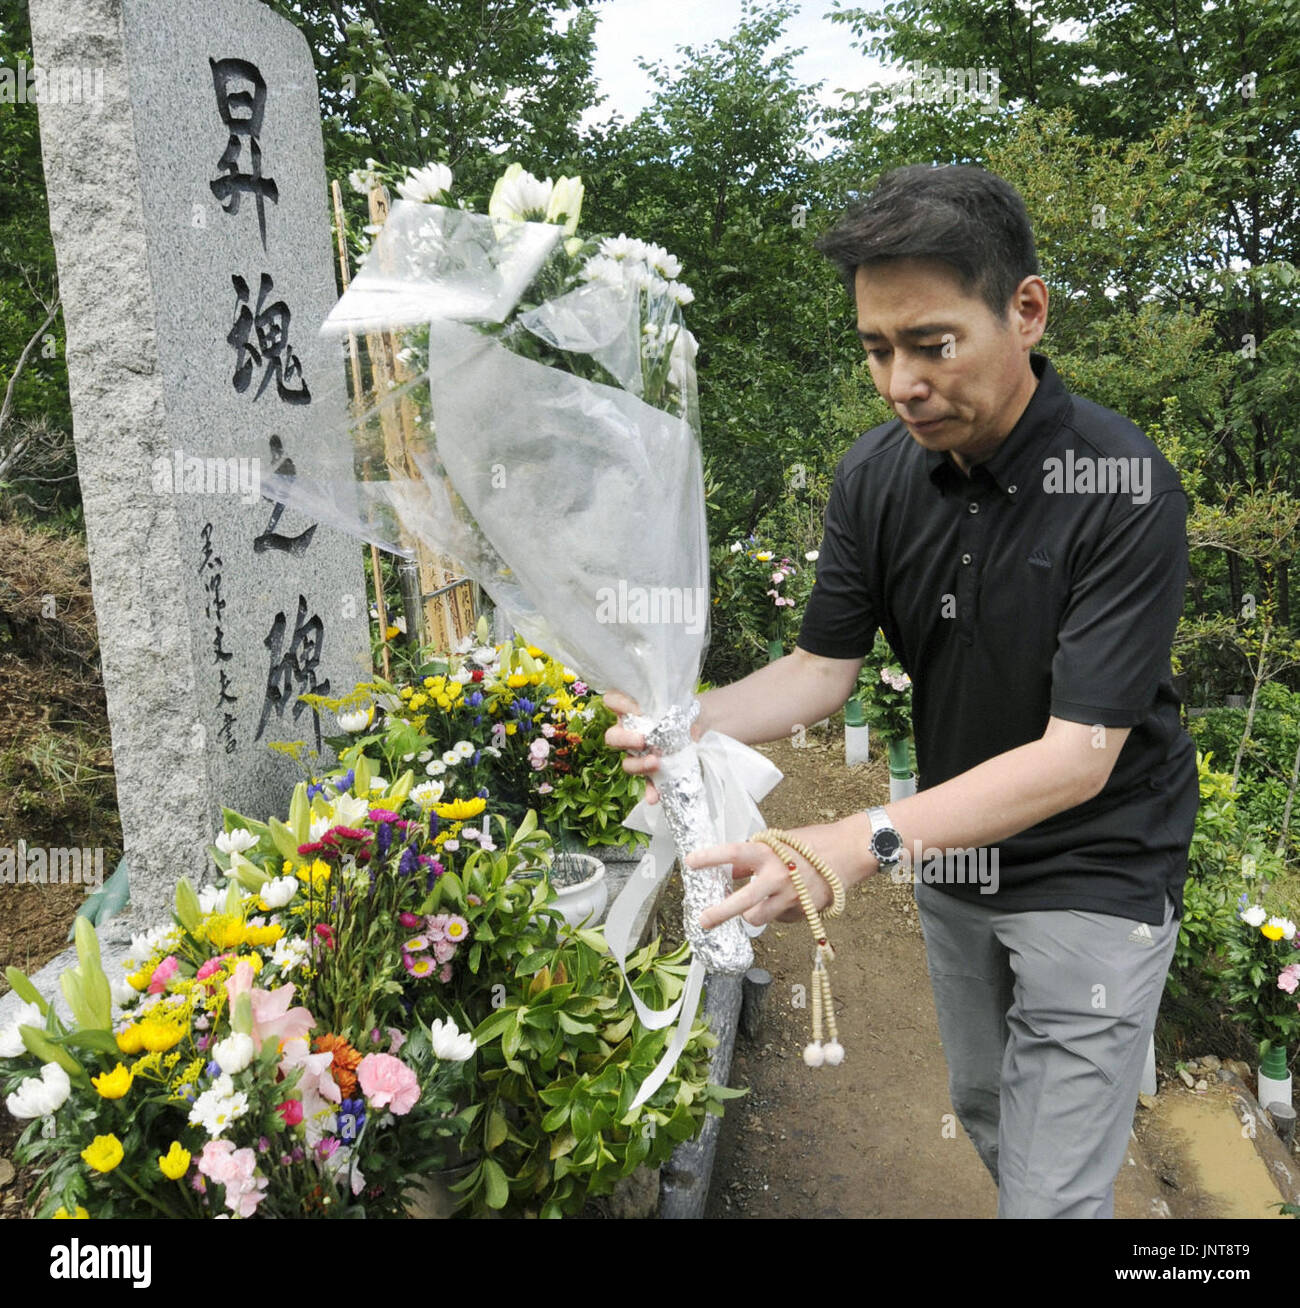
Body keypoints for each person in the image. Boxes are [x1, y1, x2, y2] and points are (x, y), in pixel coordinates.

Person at [602, 162, 1199, 1220]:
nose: (899, 383)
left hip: (1099, 864)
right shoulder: (873, 476)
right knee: (982, 1107)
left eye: (931, 344)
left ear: (1025, 310)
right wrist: (677, 723)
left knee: (1050, 1195)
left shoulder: (1119, 482)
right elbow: (819, 673)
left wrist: (854, 843)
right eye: (877, 348)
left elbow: (1079, 754)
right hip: (952, 852)